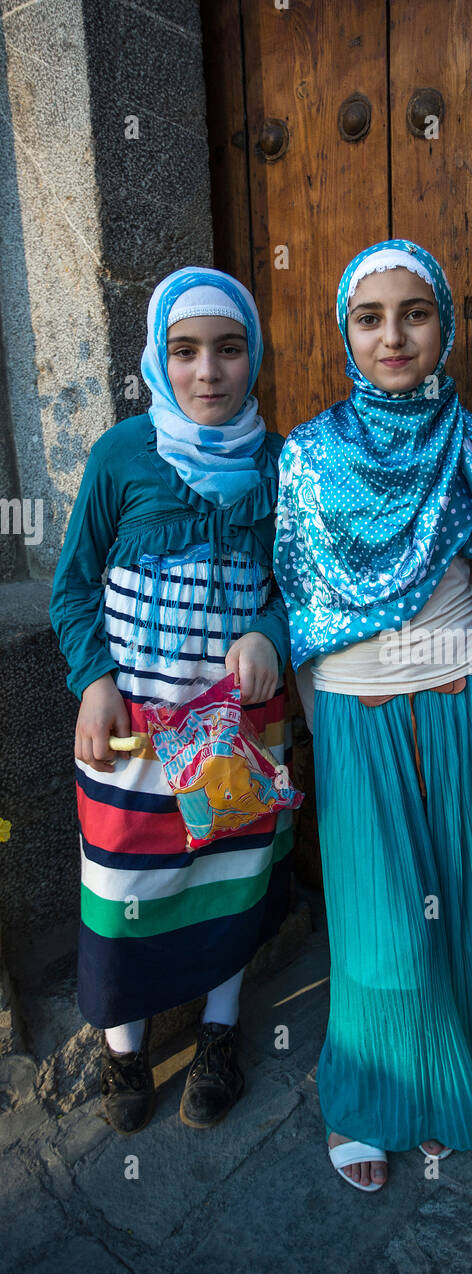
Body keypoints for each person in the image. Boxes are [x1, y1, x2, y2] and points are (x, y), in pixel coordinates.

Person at [273, 238, 472, 1192]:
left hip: (463, 709)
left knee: (470, 903)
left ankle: (445, 1082)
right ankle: (376, 1093)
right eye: (369, 317)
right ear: (345, 332)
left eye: (414, 313)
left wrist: (468, 678)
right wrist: (325, 722)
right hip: (356, 716)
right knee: (383, 923)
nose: (394, 335)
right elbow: (299, 599)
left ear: (444, 326)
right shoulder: (307, 455)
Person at [50, 267, 291, 1135]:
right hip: (133, 739)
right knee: (123, 892)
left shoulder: (276, 464)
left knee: (228, 876)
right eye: (184, 351)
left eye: (229, 350)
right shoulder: (123, 455)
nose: (209, 372)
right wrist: (94, 680)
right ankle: (124, 1051)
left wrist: (269, 629)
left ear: (253, 355)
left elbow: (295, 584)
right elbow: (73, 587)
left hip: (236, 732)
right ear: (158, 357)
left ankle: (221, 1034)